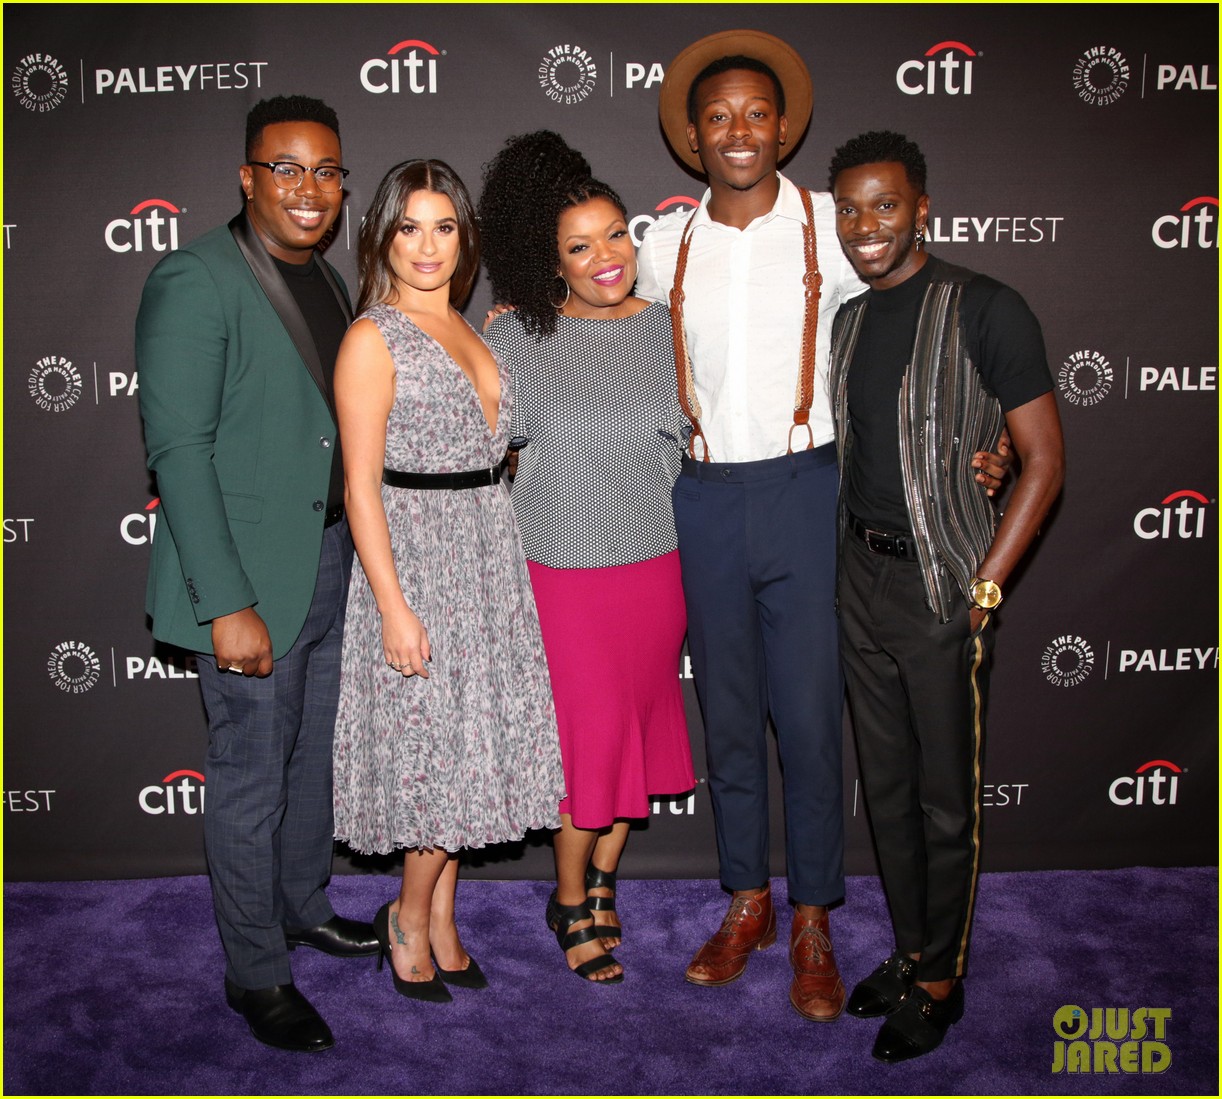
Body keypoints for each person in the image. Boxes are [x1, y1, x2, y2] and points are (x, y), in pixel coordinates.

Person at [636, 31, 1009, 1022]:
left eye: (756, 112)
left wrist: (985, 444)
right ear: (691, 133)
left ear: (784, 124)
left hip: (810, 496)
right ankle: (745, 900)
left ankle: (811, 915)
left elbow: (922, 328)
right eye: (717, 114)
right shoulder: (659, 246)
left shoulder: (829, 227)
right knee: (727, 718)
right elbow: (599, 338)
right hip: (706, 496)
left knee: (806, 720)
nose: (738, 130)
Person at [136, 95, 378, 1054]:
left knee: (308, 762)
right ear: (248, 175)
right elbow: (180, 454)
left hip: (330, 561)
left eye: (326, 171)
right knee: (248, 781)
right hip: (249, 583)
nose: (309, 189)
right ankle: (255, 972)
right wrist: (226, 602)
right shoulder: (195, 279)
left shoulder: (325, 275)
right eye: (287, 168)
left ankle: (300, 905)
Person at [827, 131, 1064, 1061]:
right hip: (860, 577)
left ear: (921, 205)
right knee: (884, 791)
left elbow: (1041, 463)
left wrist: (985, 591)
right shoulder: (846, 320)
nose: (865, 226)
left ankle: (941, 979)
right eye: (849, 209)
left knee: (944, 800)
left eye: (884, 205)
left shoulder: (987, 306)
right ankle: (911, 944)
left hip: (943, 585)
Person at [331, 159, 565, 1003]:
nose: (427, 246)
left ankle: (442, 920)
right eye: (409, 227)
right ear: (383, 237)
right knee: (434, 758)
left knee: (470, 750)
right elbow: (360, 485)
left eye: (445, 227)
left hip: (487, 553)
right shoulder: (371, 337)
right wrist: (394, 604)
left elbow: (499, 447)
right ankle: (405, 914)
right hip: (418, 558)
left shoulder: (478, 330)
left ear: (465, 238)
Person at [477, 131, 696, 983]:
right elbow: (491, 456)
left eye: (615, 235)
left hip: (656, 569)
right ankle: (568, 898)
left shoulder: (670, 332)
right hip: (560, 578)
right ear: (552, 261)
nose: (606, 256)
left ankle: (602, 880)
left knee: (632, 737)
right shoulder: (518, 337)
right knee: (586, 749)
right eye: (580, 246)